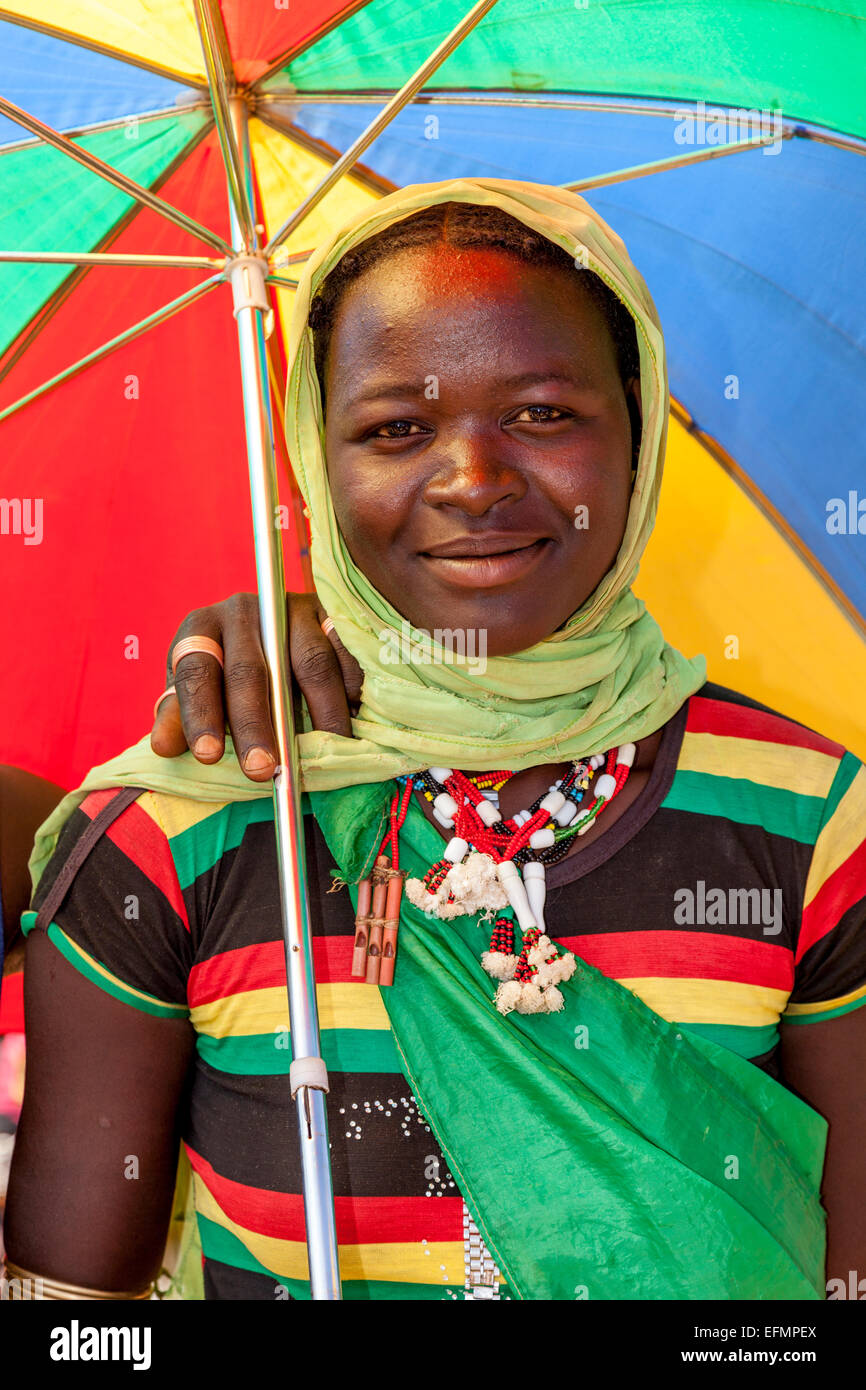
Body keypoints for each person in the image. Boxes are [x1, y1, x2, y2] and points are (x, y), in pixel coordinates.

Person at [5, 180, 865, 1301]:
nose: (472, 479)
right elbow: (76, 1325)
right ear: (315, 466)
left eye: (543, 414)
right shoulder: (185, 825)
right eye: (394, 429)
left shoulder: (807, 814)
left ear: (638, 428)